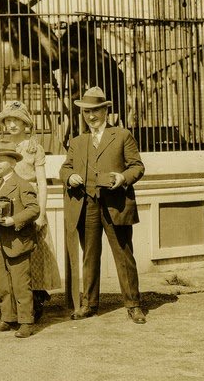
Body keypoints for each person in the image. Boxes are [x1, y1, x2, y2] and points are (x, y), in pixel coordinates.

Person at [60, 86, 147, 323]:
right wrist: (70, 176)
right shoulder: (77, 142)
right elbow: (65, 168)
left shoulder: (121, 135)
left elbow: (137, 166)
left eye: (96, 110)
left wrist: (122, 178)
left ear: (105, 111)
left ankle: (133, 304)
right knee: (90, 255)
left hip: (115, 204)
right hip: (86, 205)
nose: (91, 116)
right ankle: (89, 304)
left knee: (123, 254)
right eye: (87, 112)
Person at [0, 100, 62, 321]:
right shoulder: (1, 145)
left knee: (33, 254)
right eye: (8, 120)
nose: (12, 125)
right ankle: (10, 308)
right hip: (6, 206)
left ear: (25, 124)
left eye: (16, 120)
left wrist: (41, 213)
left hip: (28, 204)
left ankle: (34, 301)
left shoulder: (33, 148)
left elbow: (41, 182)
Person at [0, 143, 41, 338]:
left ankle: (26, 322)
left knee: (20, 283)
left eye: (1, 161)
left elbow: (34, 209)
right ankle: (7, 318)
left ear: (13, 163)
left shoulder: (22, 184)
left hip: (17, 241)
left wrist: (13, 220)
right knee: (3, 283)